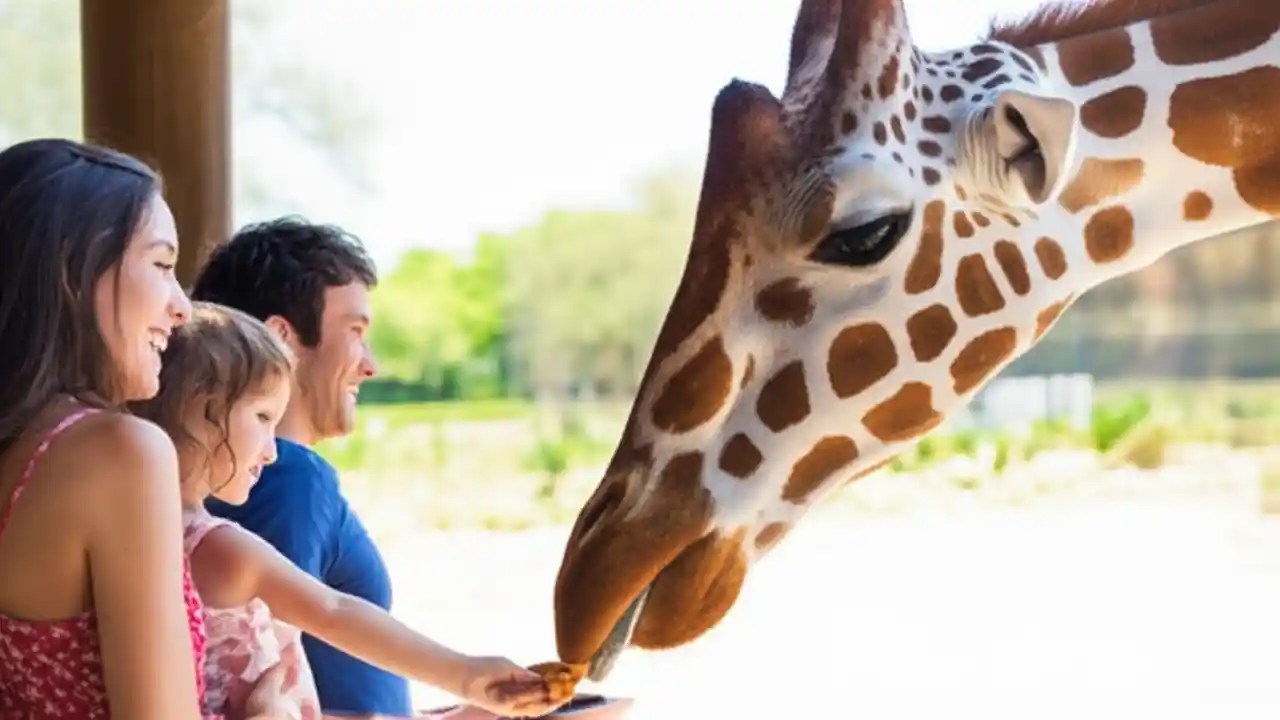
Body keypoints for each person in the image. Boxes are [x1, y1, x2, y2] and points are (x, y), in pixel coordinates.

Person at [129, 301, 564, 719]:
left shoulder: (132, 539)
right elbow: (334, 611)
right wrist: (466, 675)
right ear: (206, 413)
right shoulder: (221, 548)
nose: (270, 453)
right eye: (262, 418)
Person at [0, 137, 282, 719]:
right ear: (70, 270)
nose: (182, 306)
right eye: (161, 265)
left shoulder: (24, 453)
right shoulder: (118, 451)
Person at [188, 217, 416, 717]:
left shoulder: (255, 482)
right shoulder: (289, 478)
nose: (371, 364)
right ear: (283, 340)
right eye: (355, 331)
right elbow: (259, 698)